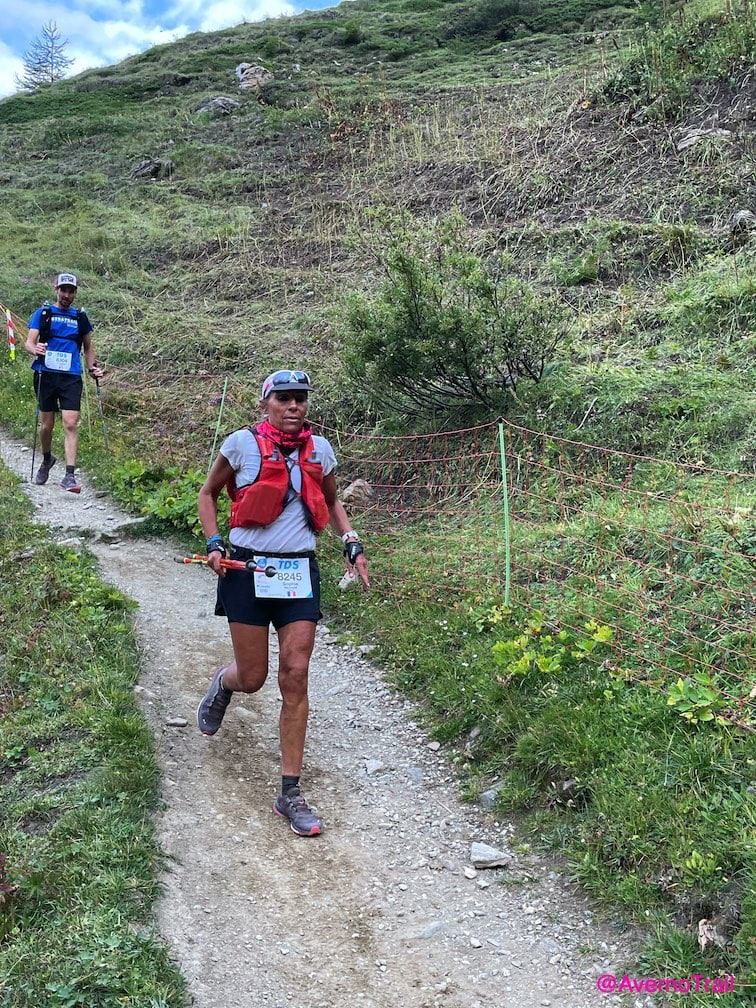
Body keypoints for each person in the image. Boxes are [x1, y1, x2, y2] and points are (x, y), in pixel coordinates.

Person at [197, 368, 370, 837]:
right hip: (246, 570)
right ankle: (225, 682)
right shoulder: (241, 444)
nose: (294, 406)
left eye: (301, 399)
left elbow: (331, 502)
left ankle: (290, 791)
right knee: (253, 677)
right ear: (265, 403)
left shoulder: (321, 450)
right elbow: (208, 494)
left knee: (295, 673)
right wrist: (214, 543)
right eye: (284, 398)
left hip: (297, 573)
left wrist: (351, 541)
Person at [24, 273, 104, 493]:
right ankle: (47, 459)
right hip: (46, 374)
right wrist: (35, 349)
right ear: (56, 290)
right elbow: (29, 342)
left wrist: (92, 369)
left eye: (71, 291)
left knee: (70, 423)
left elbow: (88, 347)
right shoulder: (44, 313)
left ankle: (69, 475)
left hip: (71, 376)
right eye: (63, 290)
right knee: (46, 425)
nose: (67, 295)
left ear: (75, 293)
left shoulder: (80, 318)